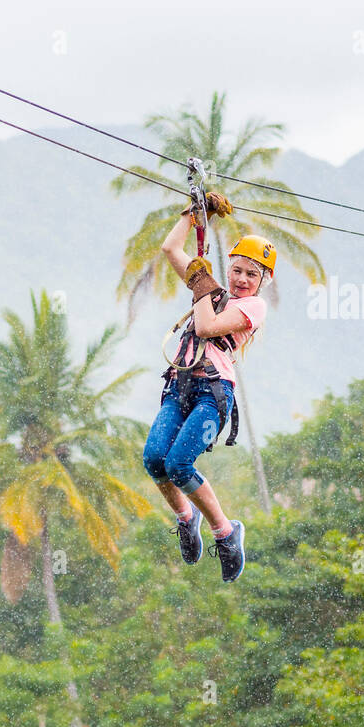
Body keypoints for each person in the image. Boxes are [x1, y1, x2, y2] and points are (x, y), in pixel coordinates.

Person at [142, 191, 275, 582]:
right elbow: (170, 248)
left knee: (178, 464)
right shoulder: (212, 291)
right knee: (154, 460)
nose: (242, 279)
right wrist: (194, 213)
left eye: (252, 275)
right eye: (237, 270)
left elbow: (205, 328)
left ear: (263, 281)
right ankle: (187, 518)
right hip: (180, 386)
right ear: (229, 267)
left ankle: (225, 532)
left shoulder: (253, 307)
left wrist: (200, 281)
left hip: (212, 394)